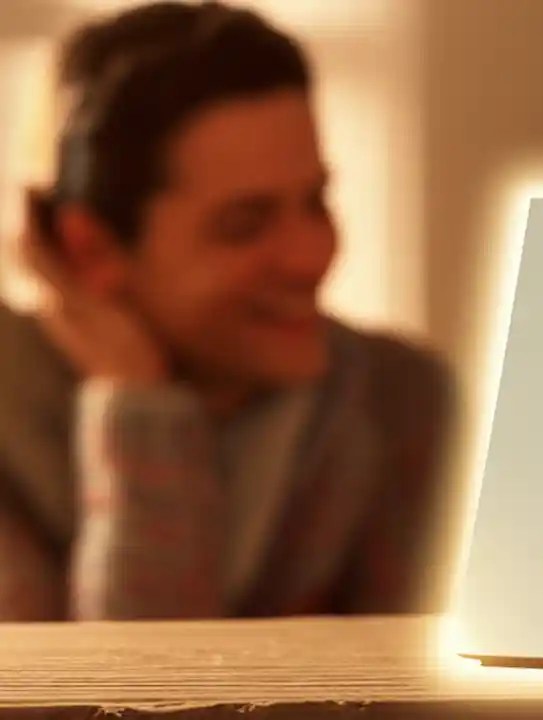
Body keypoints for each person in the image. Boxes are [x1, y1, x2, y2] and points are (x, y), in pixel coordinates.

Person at [0, 1, 454, 621]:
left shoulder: (401, 399)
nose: (311, 256)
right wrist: (139, 406)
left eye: (315, 202)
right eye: (244, 225)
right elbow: (139, 678)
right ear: (92, 249)